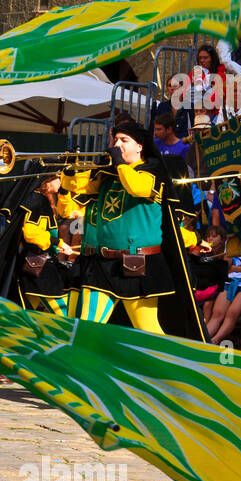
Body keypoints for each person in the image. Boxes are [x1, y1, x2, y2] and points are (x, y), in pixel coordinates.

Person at [70, 121, 174, 334]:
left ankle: (169, 366)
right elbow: (77, 187)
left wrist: (119, 163)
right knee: (87, 327)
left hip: (139, 263)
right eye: (115, 140)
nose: (117, 145)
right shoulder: (109, 174)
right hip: (103, 263)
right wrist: (71, 169)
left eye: (124, 140)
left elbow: (136, 187)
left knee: (148, 330)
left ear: (140, 146)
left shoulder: (152, 171)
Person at [15, 173, 70, 316]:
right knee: (62, 314)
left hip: (36, 263)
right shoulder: (37, 200)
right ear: (47, 180)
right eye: (58, 176)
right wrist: (59, 243)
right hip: (38, 264)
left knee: (35, 315)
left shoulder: (42, 199)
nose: (60, 180)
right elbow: (30, 232)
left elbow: (68, 212)